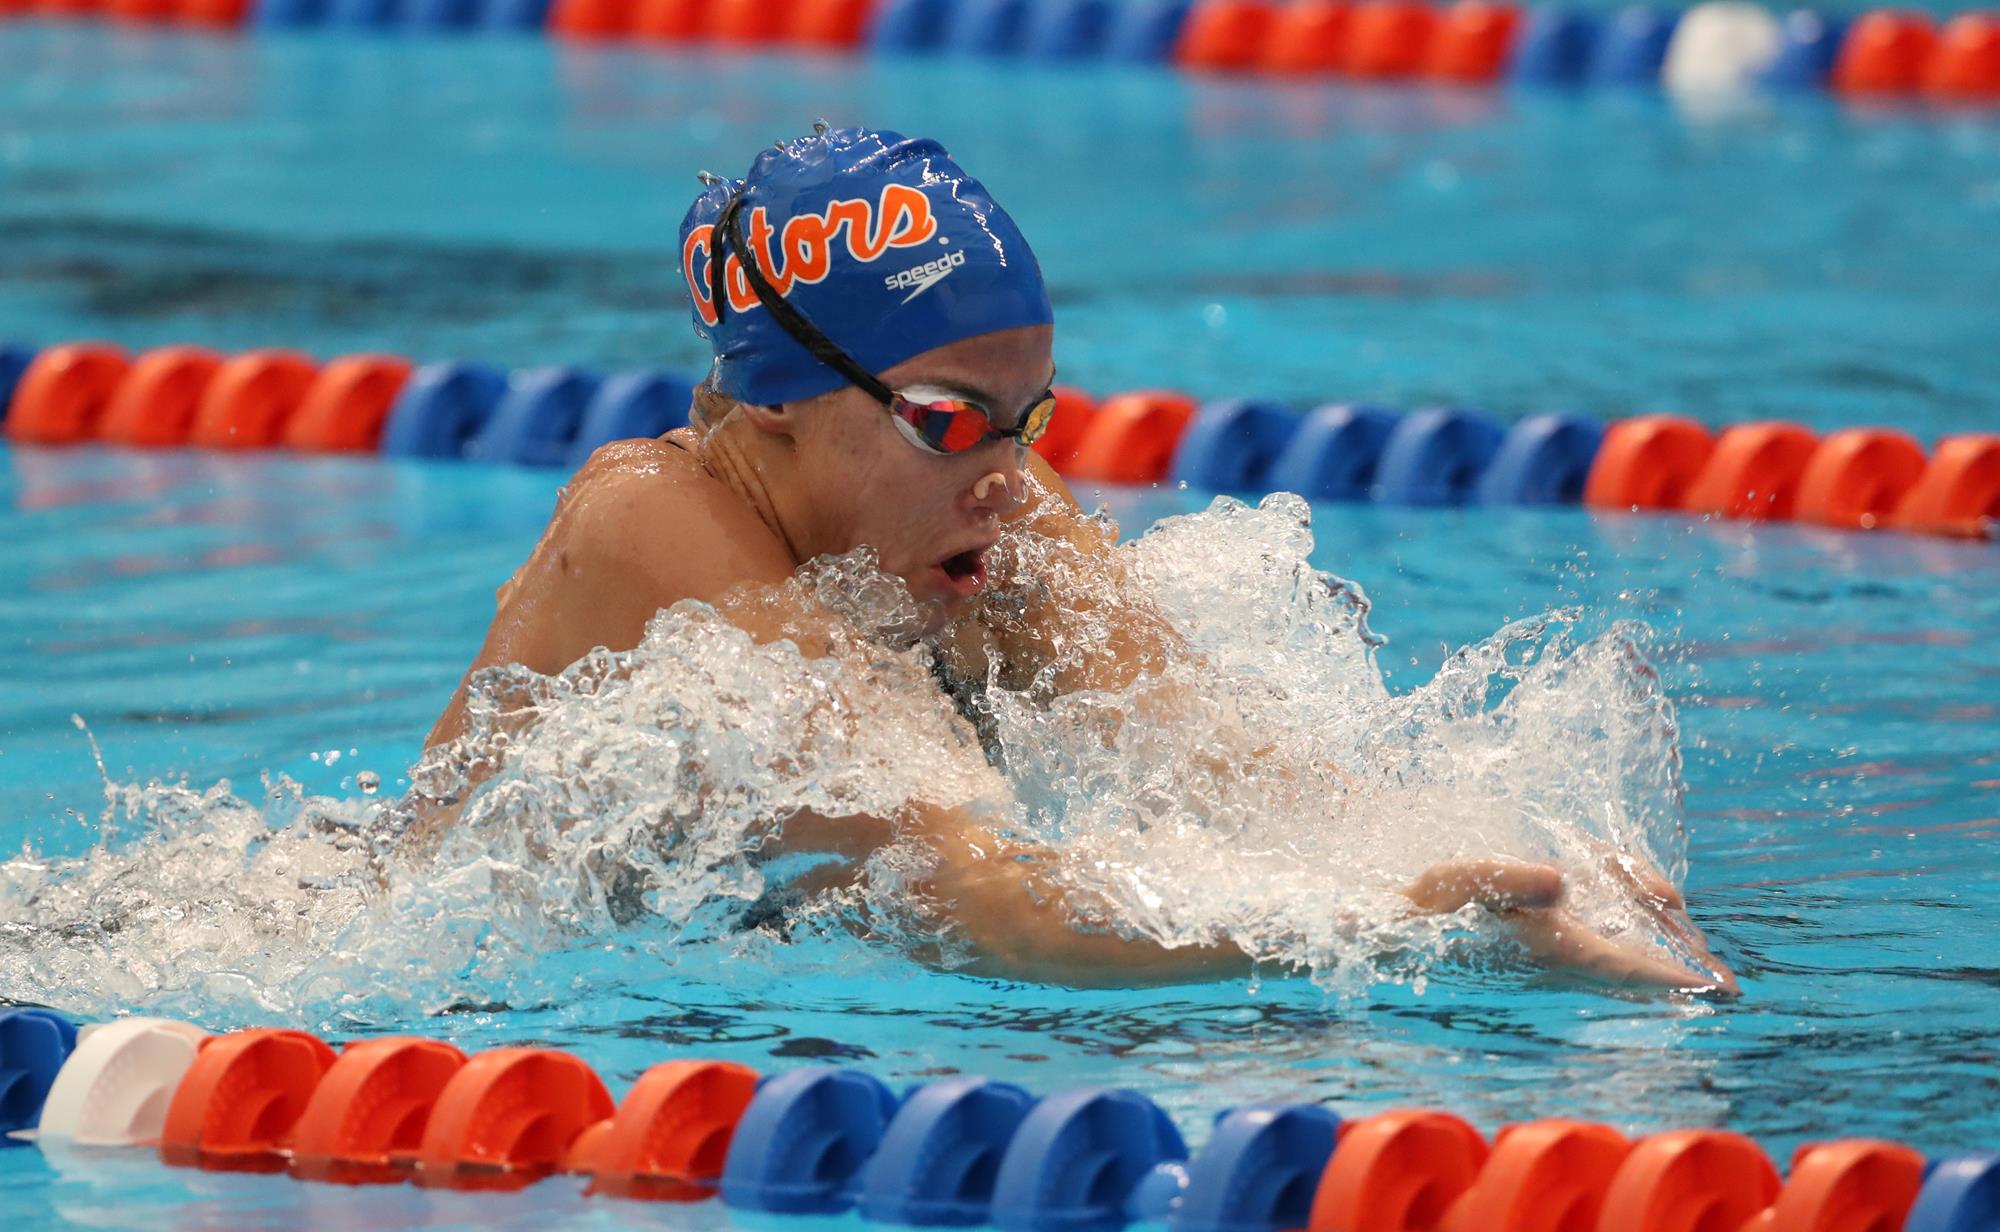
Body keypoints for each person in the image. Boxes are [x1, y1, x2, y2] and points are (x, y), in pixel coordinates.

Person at [424, 125, 1738, 996]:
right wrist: (1391, 931)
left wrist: (1507, 865)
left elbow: (1237, 774)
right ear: (776, 401)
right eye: (948, 422)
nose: (1006, 474)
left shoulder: (983, 516)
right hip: (453, 1000)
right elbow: (974, 898)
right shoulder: (650, 523)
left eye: (1030, 419)